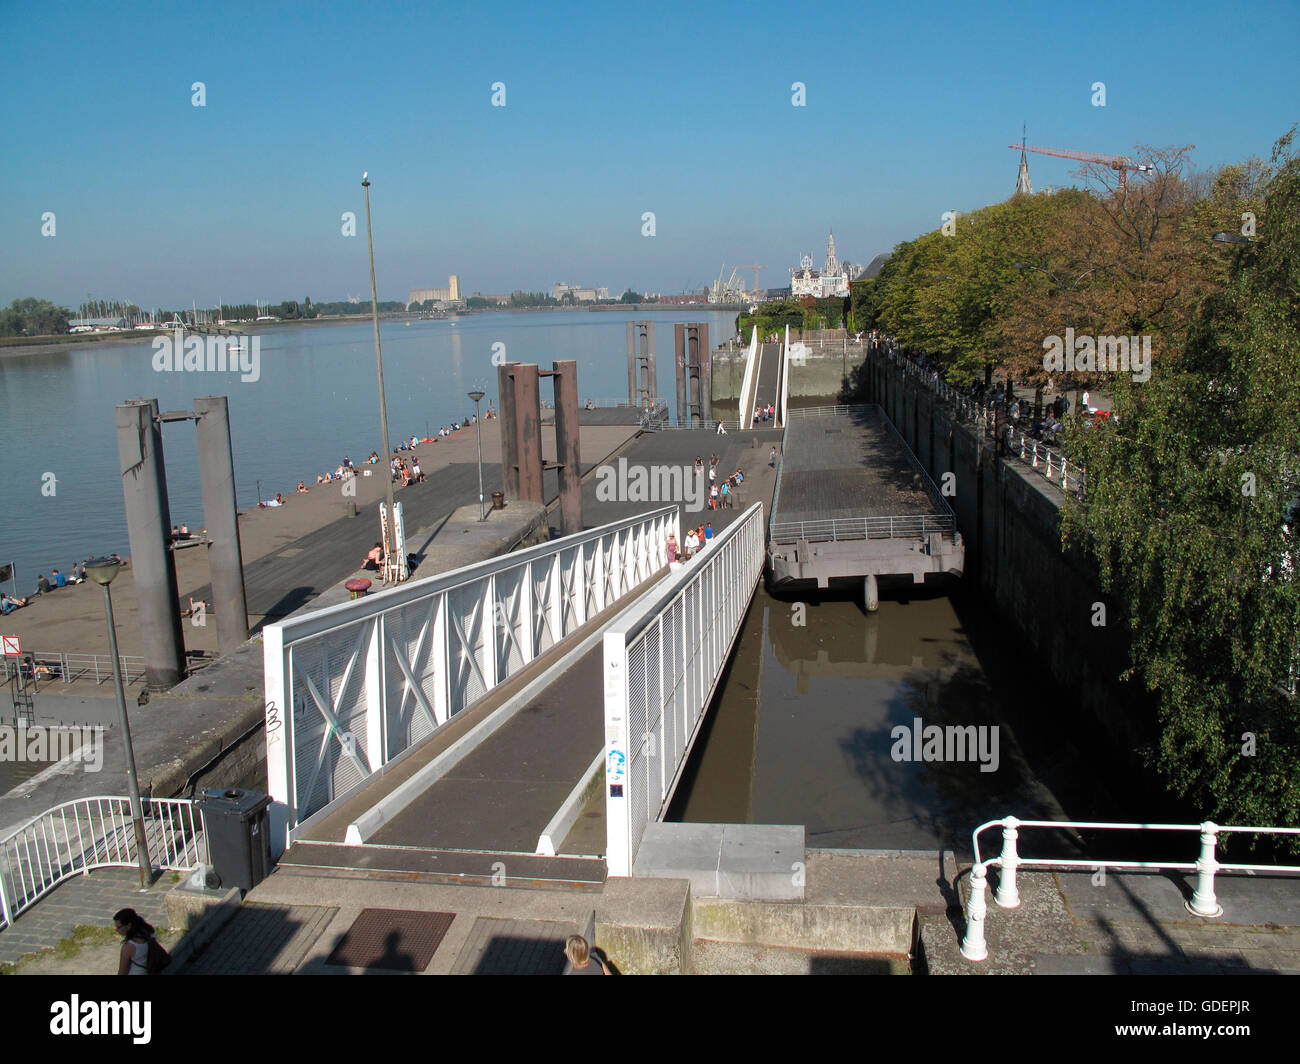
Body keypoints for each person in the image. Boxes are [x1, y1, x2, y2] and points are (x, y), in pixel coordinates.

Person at [115, 908, 166, 975]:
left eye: (119, 927)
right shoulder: (149, 932)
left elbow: (122, 972)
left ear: (128, 925)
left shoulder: (129, 947)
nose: (117, 930)